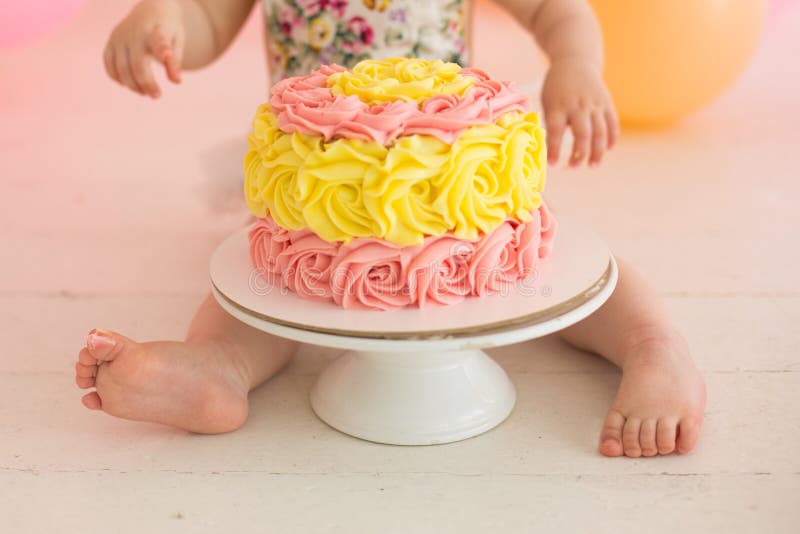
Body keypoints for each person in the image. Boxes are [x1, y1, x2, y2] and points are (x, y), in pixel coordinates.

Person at [76, 0, 706, 458]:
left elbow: (553, 9)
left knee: (551, 255)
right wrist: (163, 19)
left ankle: (653, 346)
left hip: (451, 185)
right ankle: (219, 365)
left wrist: (577, 62)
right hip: (319, 189)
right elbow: (206, 18)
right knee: (267, 271)